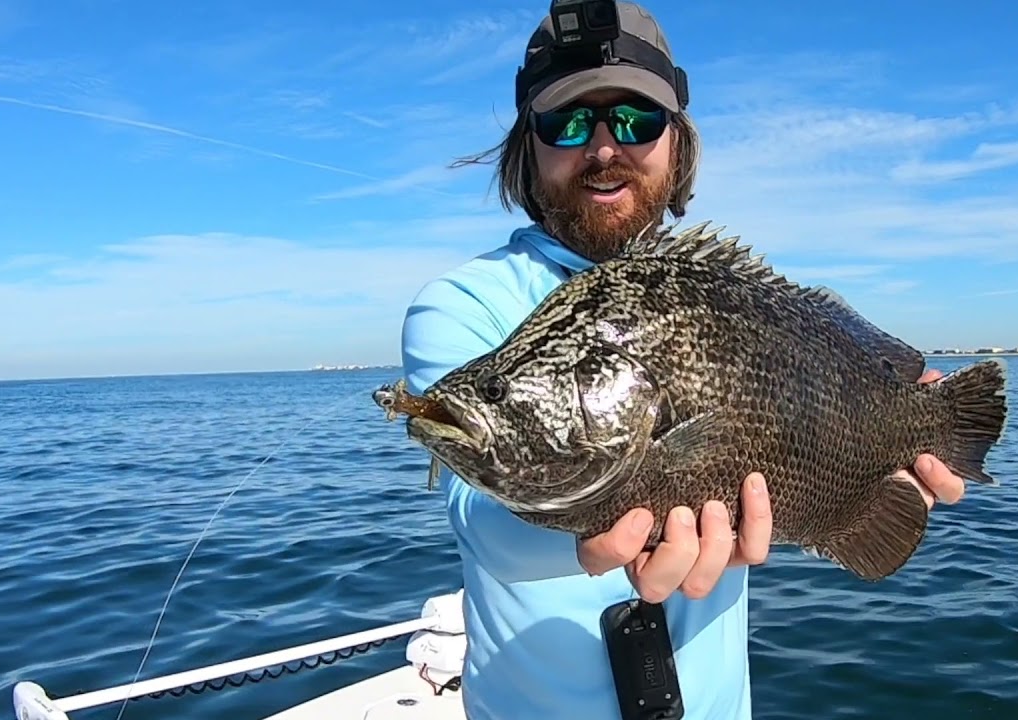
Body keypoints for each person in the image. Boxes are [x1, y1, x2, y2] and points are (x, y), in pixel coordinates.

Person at [399, 2, 967, 717]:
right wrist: (598, 534)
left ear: (678, 140)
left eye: (636, 119)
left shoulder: (728, 296)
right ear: (526, 144)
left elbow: (796, 424)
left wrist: (895, 438)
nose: (604, 148)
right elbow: (479, 515)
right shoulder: (459, 306)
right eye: (567, 122)